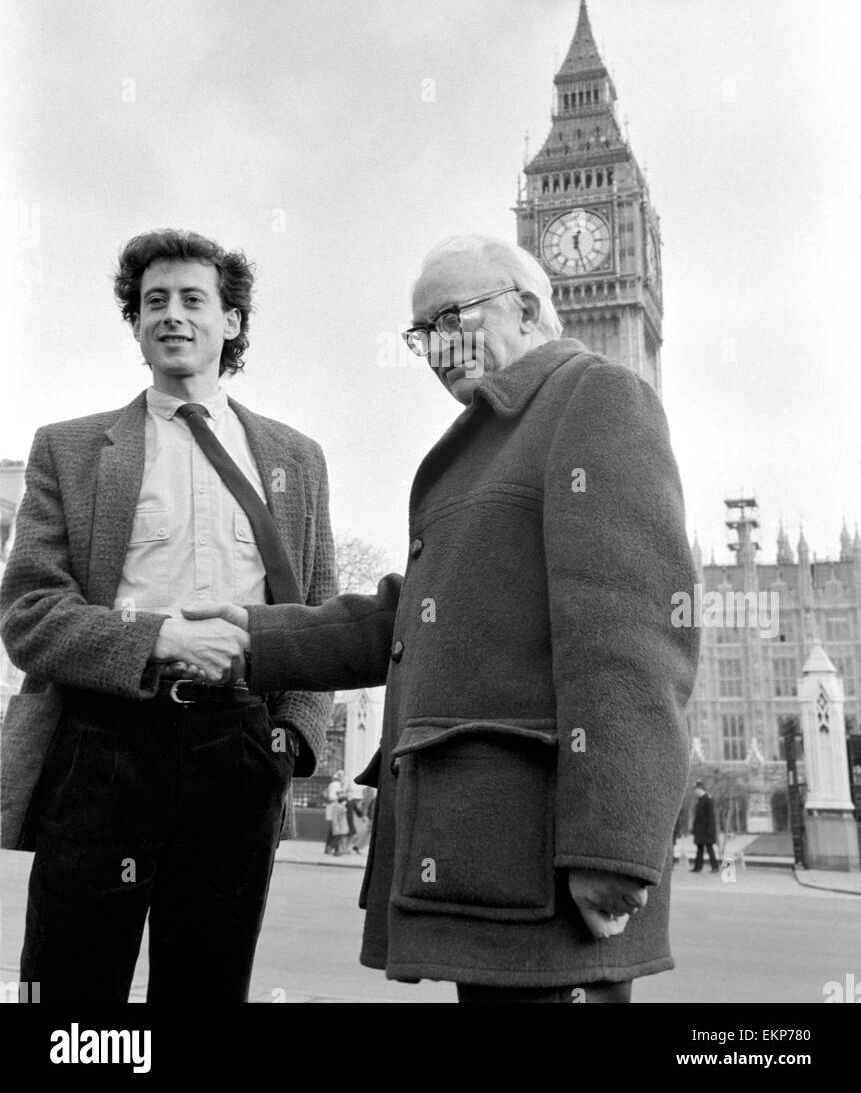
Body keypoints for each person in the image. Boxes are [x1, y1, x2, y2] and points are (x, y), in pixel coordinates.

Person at [179, 234, 699, 1004]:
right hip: (482, 848)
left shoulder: (594, 399)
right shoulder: (495, 435)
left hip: (544, 852)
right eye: (421, 332)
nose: (433, 347)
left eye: (451, 317)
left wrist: (613, 846)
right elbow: (411, 615)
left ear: (525, 308)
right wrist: (254, 636)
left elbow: (629, 637)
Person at [0, 229, 336, 1002]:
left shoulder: (295, 458)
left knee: (207, 984)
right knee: (73, 995)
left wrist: (287, 740)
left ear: (232, 323)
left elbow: (316, 616)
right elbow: (29, 614)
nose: (172, 316)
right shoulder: (72, 449)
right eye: (154, 302)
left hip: (239, 748)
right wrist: (155, 639)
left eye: (193, 300)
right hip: (103, 743)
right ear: (137, 324)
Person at [690, 782, 720, 874]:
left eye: (695, 790)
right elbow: (697, 817)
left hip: (706, 830)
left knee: (710, 849)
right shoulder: (700, 800)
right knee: (699, 849)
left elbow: (711, 816)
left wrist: (710, 830)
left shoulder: (708, 800)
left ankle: (715, 867)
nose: (694, 792)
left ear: (700, 789)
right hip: (700, 831)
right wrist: (694, 830)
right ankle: (697, 867)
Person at [324, 770, 346, 854]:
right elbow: (332, 797)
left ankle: (329, 847)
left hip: (335, 810)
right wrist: (341, 796)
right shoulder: (335, 785)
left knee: (333, 829)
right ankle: (335, 849)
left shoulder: (337, 785)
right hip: (335, 810)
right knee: (336, 829)